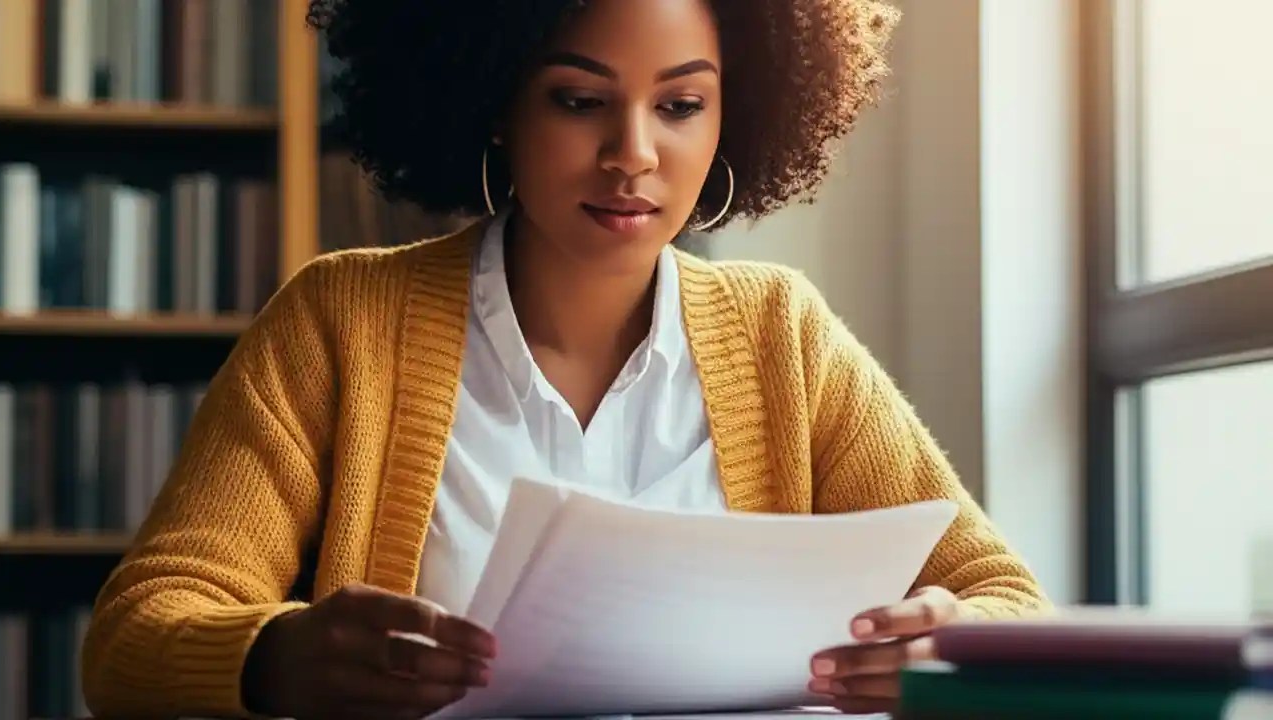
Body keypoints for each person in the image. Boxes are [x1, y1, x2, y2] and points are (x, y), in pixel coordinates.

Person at [80, 0, 1050, 718]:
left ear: (733, 115)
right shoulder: (342, 322)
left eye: (679, 105)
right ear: (498, 100)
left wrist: (939, 639)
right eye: (580, 99)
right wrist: (276, 653)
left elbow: (1006, 598)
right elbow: (134, 637)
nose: (630, 154)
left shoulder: (781, 335)